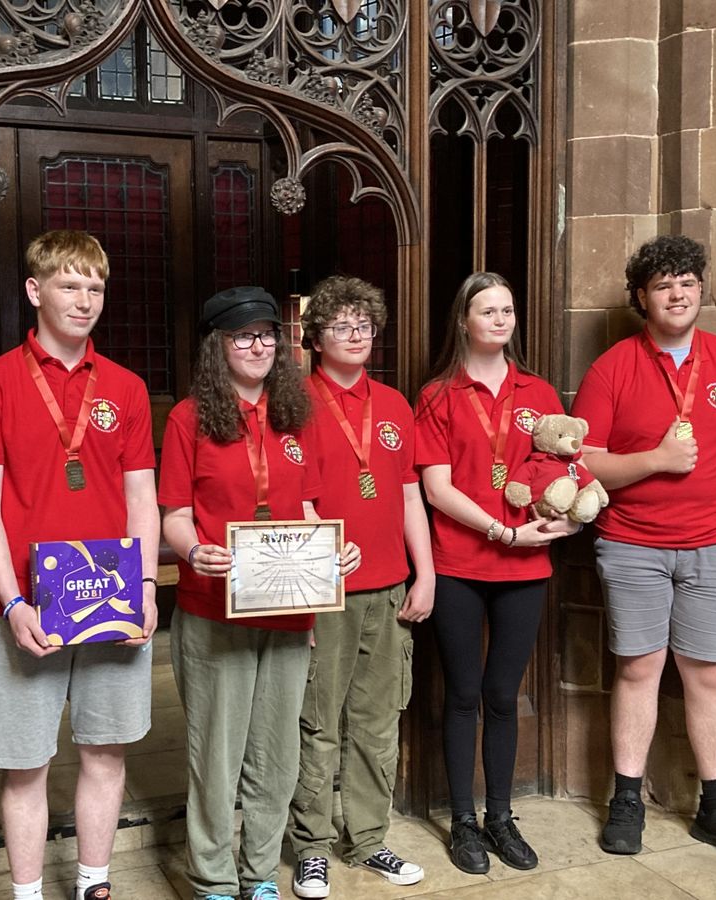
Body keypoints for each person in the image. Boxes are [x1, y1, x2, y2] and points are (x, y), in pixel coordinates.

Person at [0, 231, 159, 900]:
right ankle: (27, 894)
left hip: (112, 597)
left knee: (106, 751)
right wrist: (12, 603)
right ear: (35, 291)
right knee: (25, 766)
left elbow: (142, 499)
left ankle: (95, 884)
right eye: (70, 285)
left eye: (96, 288)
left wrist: (150, 585)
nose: (85, 300)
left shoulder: (125, 389)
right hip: (21, 608)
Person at [571, 234, 716, 868]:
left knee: (708, 673)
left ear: (700, 289)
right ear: (643, 296)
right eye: (664, 284)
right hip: (633, 546)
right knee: (638, 668)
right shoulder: (613, 367)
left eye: (688, 282)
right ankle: (627, 800)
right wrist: (656, 461)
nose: (678, 293)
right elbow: (581, 465)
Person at [159, 286, 360, 900]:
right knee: (216, 757)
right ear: (218, 347)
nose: (260, 346)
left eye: (269, 335)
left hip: (290, 608)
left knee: (278, 755)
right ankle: (216, 879)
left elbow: (305, 506)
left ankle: (259, 875)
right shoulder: (187, 418)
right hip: (213, 608)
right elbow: (172, 512)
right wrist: (194, 550)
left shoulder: (298, 413)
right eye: (244, 336)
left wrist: (335, 554)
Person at [414, 272, 574, 875]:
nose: (501, 319)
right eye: (488, 310)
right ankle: (463, 823)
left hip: (527, 566)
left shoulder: (540, 392)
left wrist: (562, 521)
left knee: (502, 696)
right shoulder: (437, 396)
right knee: (461, 694)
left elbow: (564, 472)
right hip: (459, 562)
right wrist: (501, 530)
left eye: (508, 309)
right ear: (464, 321)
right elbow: (436, 488)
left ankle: (501, 818)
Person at [286, 276, 434, 897]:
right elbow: (288, 498)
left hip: (389, 586)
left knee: (377, 723)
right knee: (318, 723)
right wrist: (318, 562)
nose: (354, 335)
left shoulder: (396, 405)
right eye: (340, 326)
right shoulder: (291, 401)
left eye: (364, 326)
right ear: (314, 338)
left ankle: (369, 839)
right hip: (326, 590)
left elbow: (407, 495)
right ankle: (312, 846)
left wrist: (424, 573)